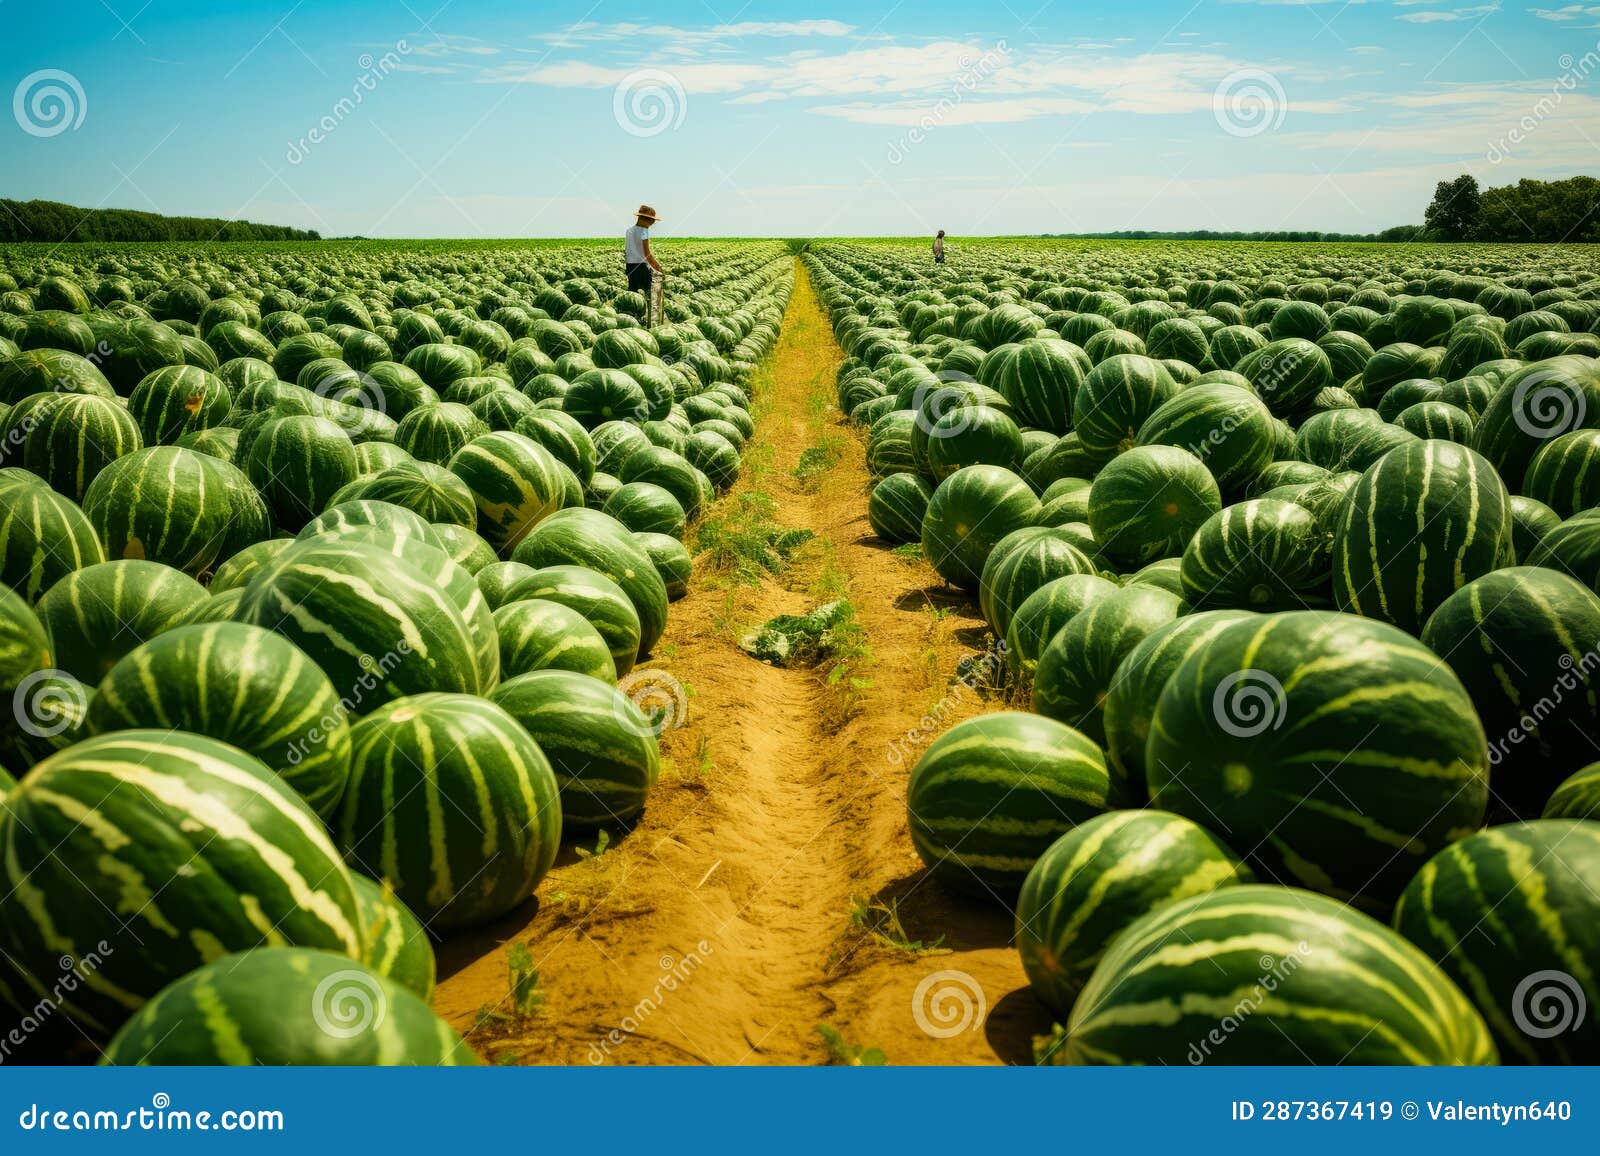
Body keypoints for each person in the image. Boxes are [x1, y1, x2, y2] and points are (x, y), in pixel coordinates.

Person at [625, 205, 663, 295]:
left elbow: (628, 250)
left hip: (629, 266)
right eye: (651, 220)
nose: (652, 223)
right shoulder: (644, 231)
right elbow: (647, 254)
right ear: (642, 219)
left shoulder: (629, 230)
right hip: (641, 267)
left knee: (633, 292)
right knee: (647, 292)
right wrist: (658, 268)